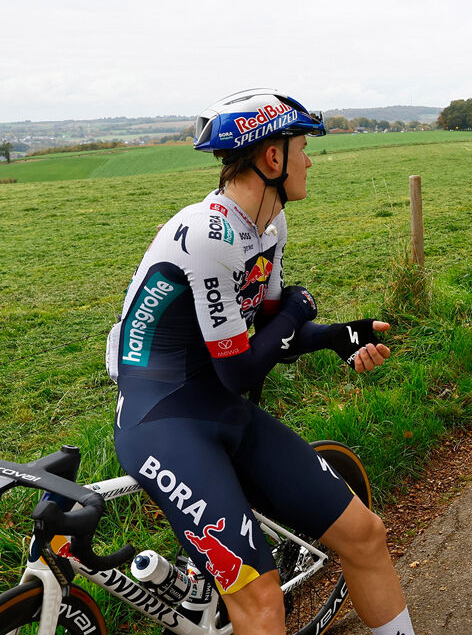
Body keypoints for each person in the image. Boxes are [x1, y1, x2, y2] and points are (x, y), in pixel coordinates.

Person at [106, 89, 414, 635]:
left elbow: (269, 341)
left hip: (219, 406)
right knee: (261, 600)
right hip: (162, 419)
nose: (310, 160)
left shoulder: (266, 229)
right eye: (302, 147)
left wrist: (337, 336)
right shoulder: (209, 234)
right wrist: (299, 308)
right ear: (272, 158)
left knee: (365, 535)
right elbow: (243, 370)